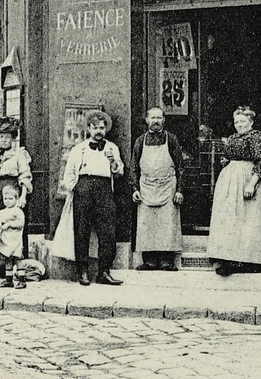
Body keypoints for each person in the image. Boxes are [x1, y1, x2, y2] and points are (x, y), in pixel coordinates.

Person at [59, 108, 126, 286]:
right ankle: (83, 271)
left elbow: (119, 172)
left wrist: (113, 161)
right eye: (95, 128)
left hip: (104, 189)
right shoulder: (78, 149)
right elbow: (69, 173)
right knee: (82, 231)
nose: (98, 131)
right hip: (84, 188)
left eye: (102, 128)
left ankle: (104, 272)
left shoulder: (112, 148)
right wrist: (77, 189)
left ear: (106, 130)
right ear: (88, 129)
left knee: (108, 232)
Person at [208, 106, 261, 275]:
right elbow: (228, 157)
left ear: (251, 122)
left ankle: (247, 261)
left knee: (248, 219)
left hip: (247, 179)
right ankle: (227, 259)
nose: (239, 125)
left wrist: (252, 184)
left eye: (243, 121)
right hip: (230, 181)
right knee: (229, 219)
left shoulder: (257, 137)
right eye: (236, 122)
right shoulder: (232, 138)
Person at [132, 107, 185, 270]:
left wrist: (180, 190)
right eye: (152, 118)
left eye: (159, 118)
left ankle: (166, 261)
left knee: (167, 224)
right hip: (146, 188)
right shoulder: (140, 141)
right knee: (147, 225)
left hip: (168, 187)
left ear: (164, 120)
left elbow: (180, 166)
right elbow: (134, 167)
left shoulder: (172, 139)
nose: (156, 121)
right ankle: (149, 261)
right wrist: (135, 188)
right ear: (147, 120)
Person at [0, 117, 33, 266]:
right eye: (1, 137)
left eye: (7, 137)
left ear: (13, 139)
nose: (4, 140)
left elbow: (25, 175)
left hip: (12, 191)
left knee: (11, 225)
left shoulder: (19, 155)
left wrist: (23, 196)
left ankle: (11, 264)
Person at [0, 184, 27, 288]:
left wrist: (9, 224)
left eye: (10, 199)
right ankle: (8, 280)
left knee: (18, 258)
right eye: (5, 199)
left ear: (16, 199)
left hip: (15, 239)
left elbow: (21, 223)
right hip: (5, 240)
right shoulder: (0, 212)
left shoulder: (18, 211)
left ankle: (22, 280)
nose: (8, 201)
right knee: (7, 258)